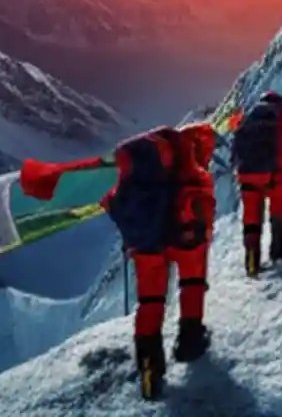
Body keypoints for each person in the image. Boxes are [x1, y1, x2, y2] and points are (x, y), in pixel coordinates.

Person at [107, 124, 217, 400]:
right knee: (192, 283)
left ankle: (149, 365)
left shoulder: (137, 170)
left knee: (150, 302)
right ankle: (190, 341)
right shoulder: (189, 165)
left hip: (145, 244)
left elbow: (113, 201)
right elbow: (204, 199)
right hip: (184, 238)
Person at [231, 91, 282, 277]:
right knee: (278, 213)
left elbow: (235, 153)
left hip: (247, 175)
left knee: (251, 218)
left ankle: (252, 260)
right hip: (275, 176)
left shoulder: (246, 122)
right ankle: (278, 253)